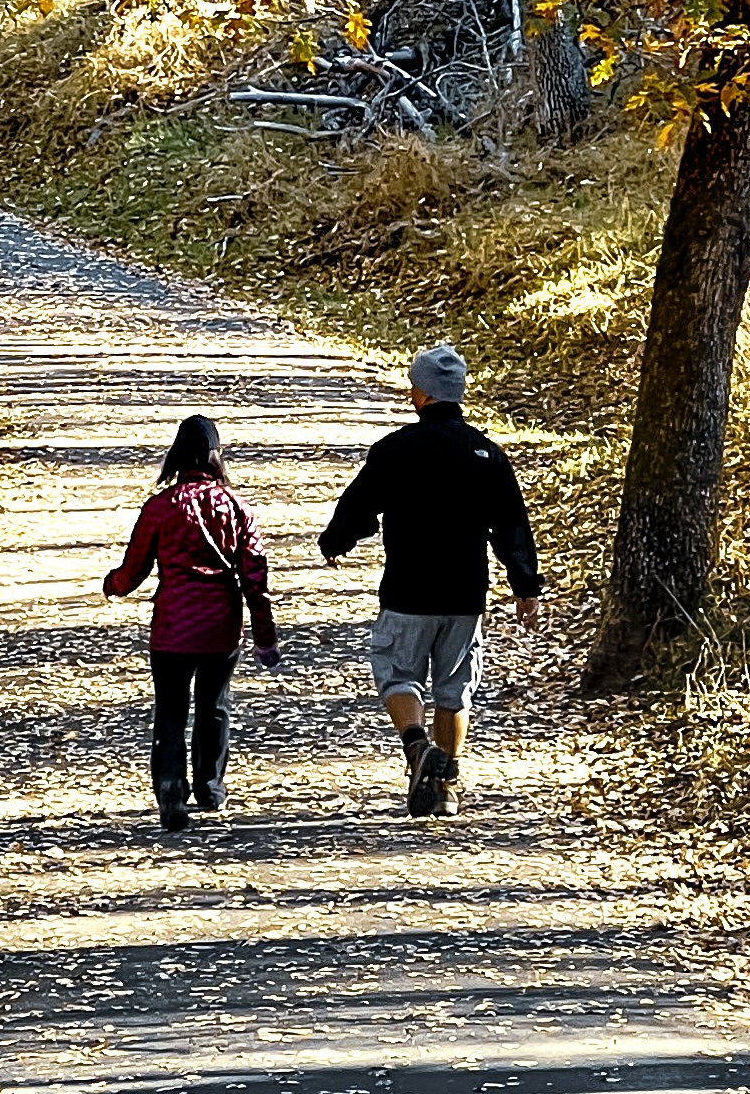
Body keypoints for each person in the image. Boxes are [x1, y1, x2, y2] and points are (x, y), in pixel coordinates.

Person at [319, 339, 541, 818]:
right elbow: (511, 524)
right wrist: (525, 584)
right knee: (454, 689)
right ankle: (444, 788)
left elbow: (359, 505)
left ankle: (419, 749)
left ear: (421, 394)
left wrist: (336, 541)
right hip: (465, 594)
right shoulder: (487, 454)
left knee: (397, 673)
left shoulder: (396, 450)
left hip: (408, 588)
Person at [103, 412, 280, 831]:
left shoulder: (160, 507)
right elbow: (255, 575)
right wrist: (265, 635)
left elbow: (135, 567)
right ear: (217, 458)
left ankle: (169, 784)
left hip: (172, 628)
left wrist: (113, 584)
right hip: (221, 626)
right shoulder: (237, 508)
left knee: (169, 709)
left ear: (176, 456)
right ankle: (210, 787)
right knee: (214, 704)